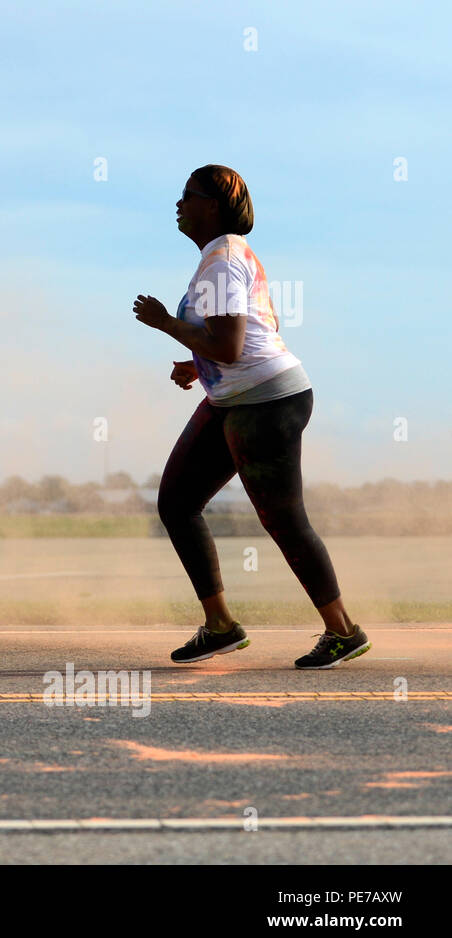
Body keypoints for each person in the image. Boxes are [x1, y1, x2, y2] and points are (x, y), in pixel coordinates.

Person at [133, 164, 369, 670]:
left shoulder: (220, 260)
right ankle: (220, 626)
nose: (178, 203)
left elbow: (231, 345)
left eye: (187, 195)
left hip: (266, 402)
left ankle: (343, 631)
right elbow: (261, 326)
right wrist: (198, 365)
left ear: (212, 206)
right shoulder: (225, 258)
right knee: (177, 502)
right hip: (236, 399)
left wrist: (167, 324)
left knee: (283, 519)